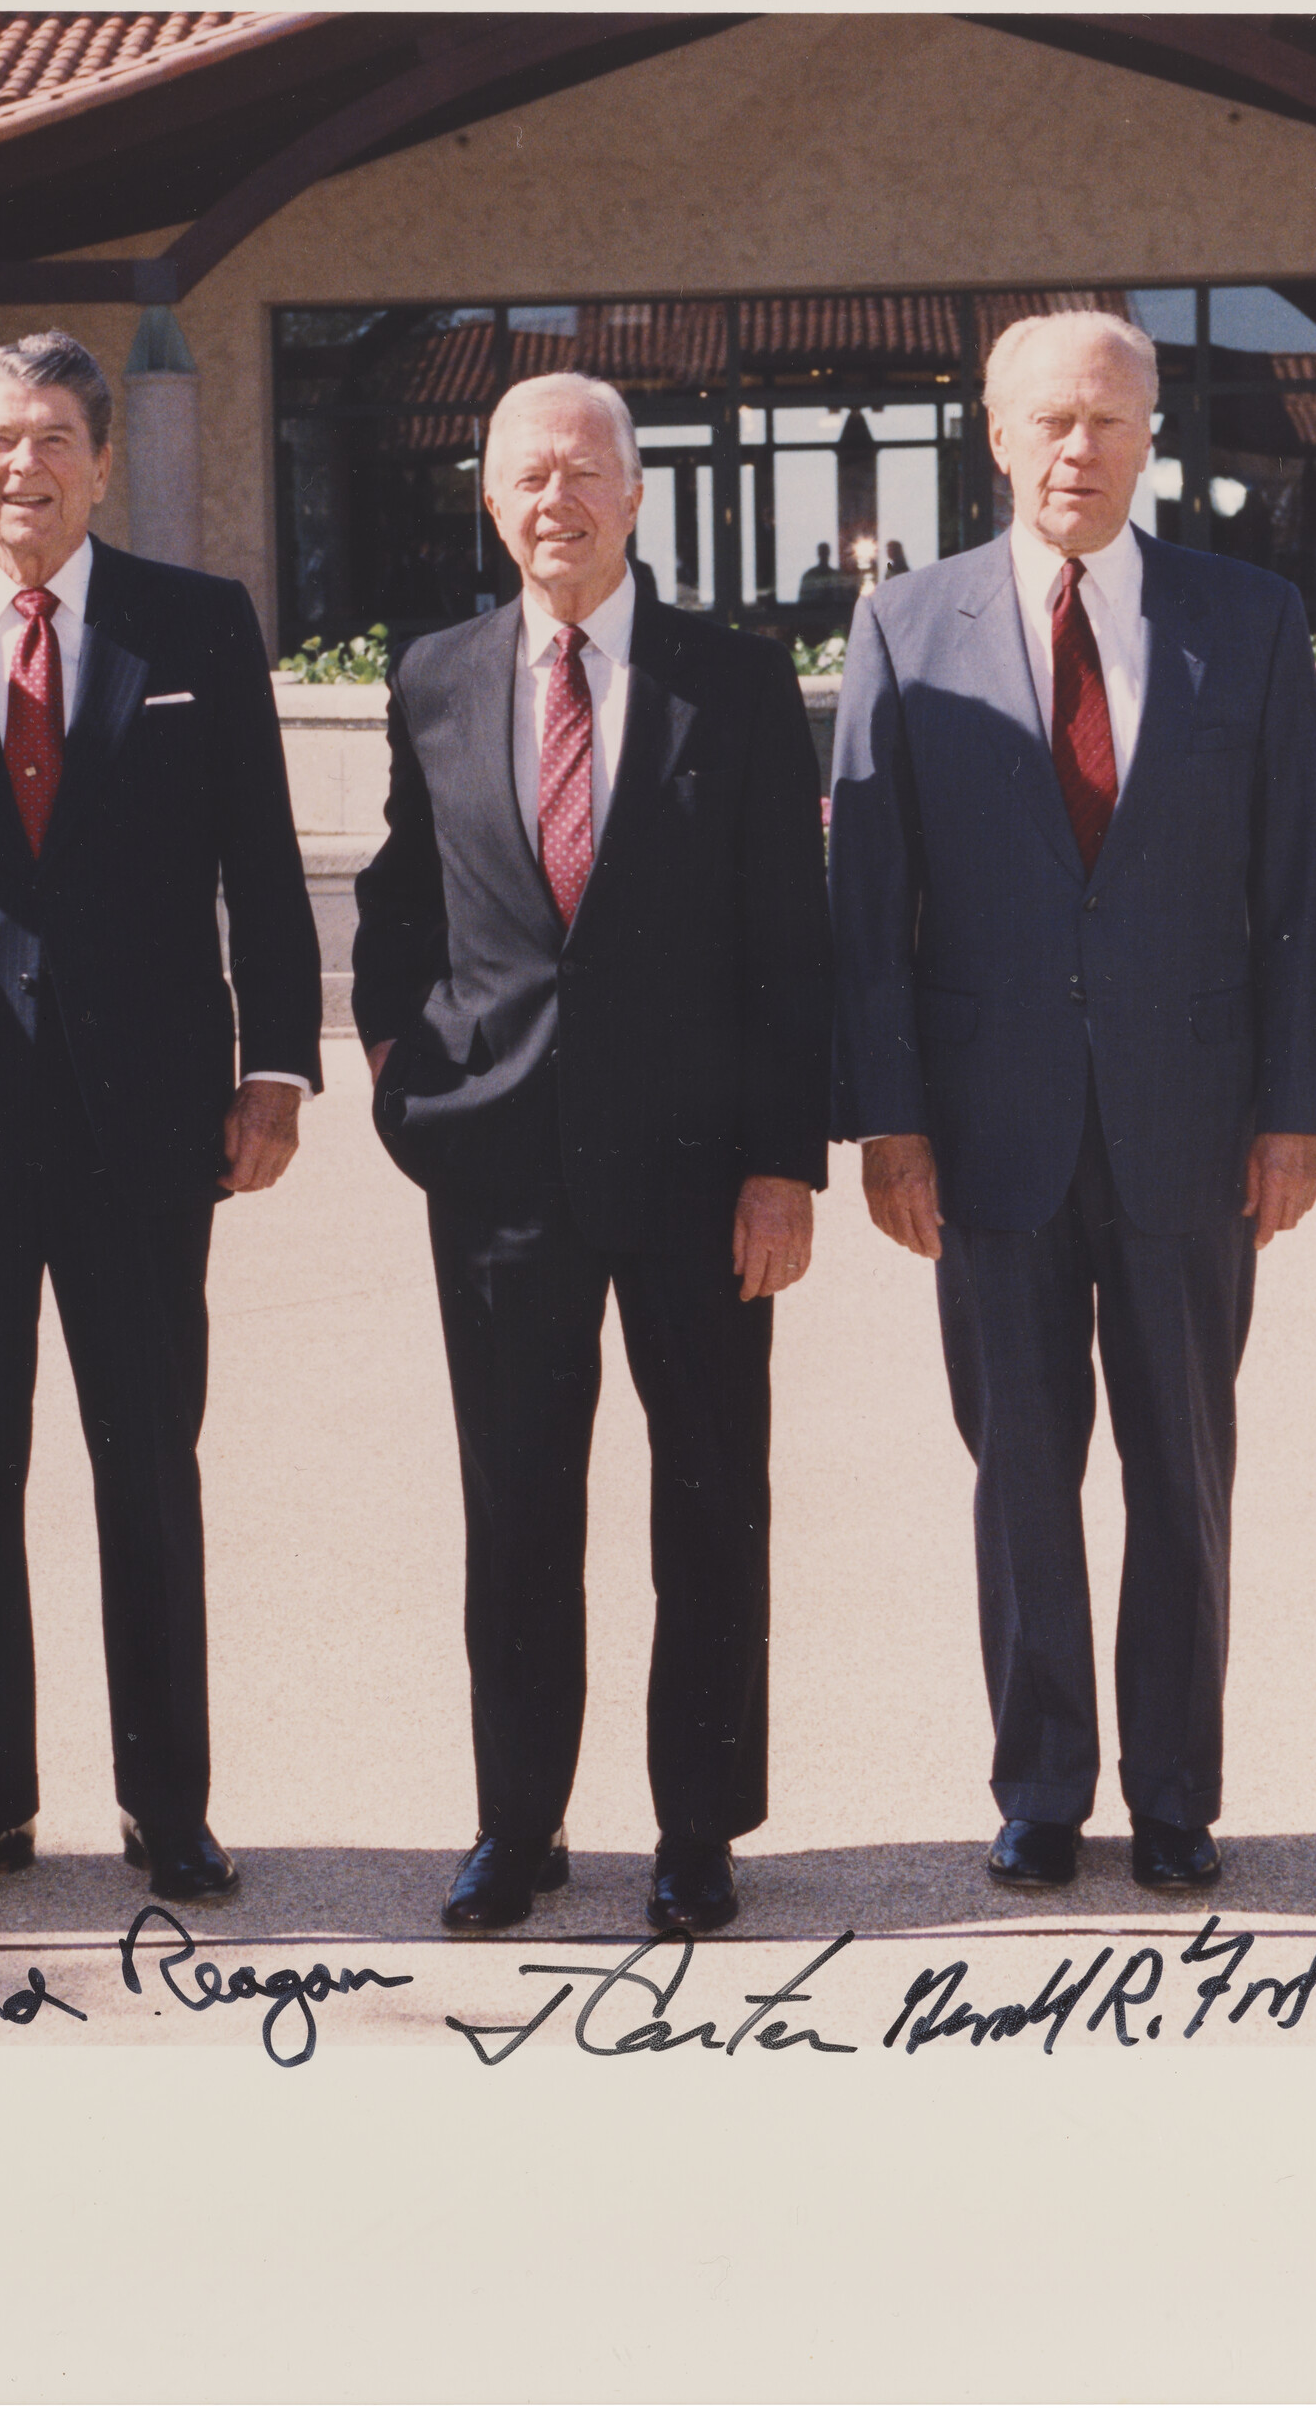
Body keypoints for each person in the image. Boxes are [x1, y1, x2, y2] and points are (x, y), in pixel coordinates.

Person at [0, 330, 319, 1909]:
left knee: (147, 1460)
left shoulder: (197, 627)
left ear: (103, 460)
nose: (25, 468)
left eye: (54, 441)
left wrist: (279, 1065)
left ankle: (169, 1803)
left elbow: (265, 867)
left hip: (151, 1119)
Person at [829, 310, 1316, 1895]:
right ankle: (1043, 1782)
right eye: (1049, 420)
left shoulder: (1246, 620)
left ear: (1151, 434)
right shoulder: (905, 626)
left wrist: (1296, 1108)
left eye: (1110, 423)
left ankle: (1178, 1789)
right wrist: (887, 1121)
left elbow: (1296, 889)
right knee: (1020, 1470)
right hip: (990, 1133)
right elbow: (871, 902)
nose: (1079, 450)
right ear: (993, 433)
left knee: (1184, 1472)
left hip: (1193, 1126)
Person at [353, 371, 830, 1936]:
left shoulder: (734, 682)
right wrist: (405, 1081)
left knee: (708, 1500)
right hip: (498, 1172)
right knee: (516, 1511)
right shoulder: (434, 676)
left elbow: (789, 941)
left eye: (583, 473)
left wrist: (783, 1164)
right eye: (523, 478)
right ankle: (519, 1822)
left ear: (637, 496)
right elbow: (398, 905)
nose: (554, 500)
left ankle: (698, 1829)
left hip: (703, 1181)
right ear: (488, 504)